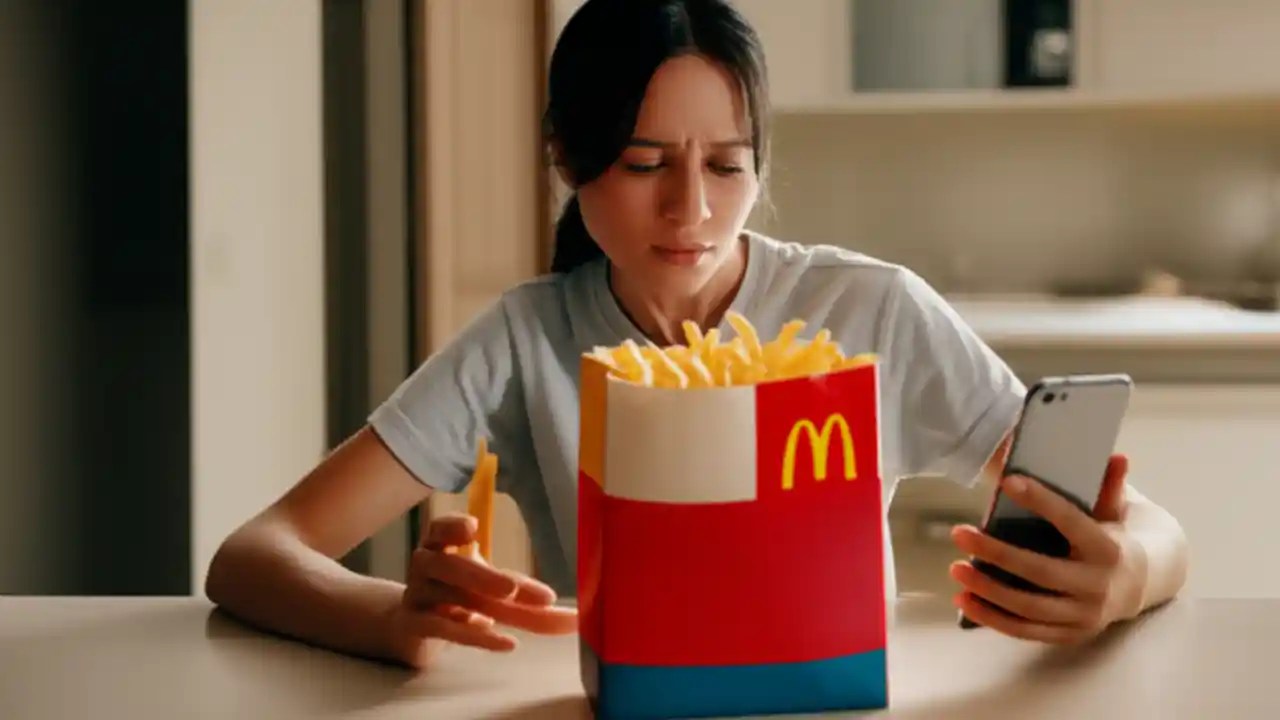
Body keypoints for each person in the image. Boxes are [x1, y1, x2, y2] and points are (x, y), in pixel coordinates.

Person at [205, 0, 1189, 669]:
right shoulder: (524, 337)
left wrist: (1125, 575)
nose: (689, 210)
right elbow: (254, 555)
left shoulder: (872, 311)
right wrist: (395, 618)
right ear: (565, 156)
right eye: (642, 165)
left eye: (725, 164)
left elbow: (1149, 528)